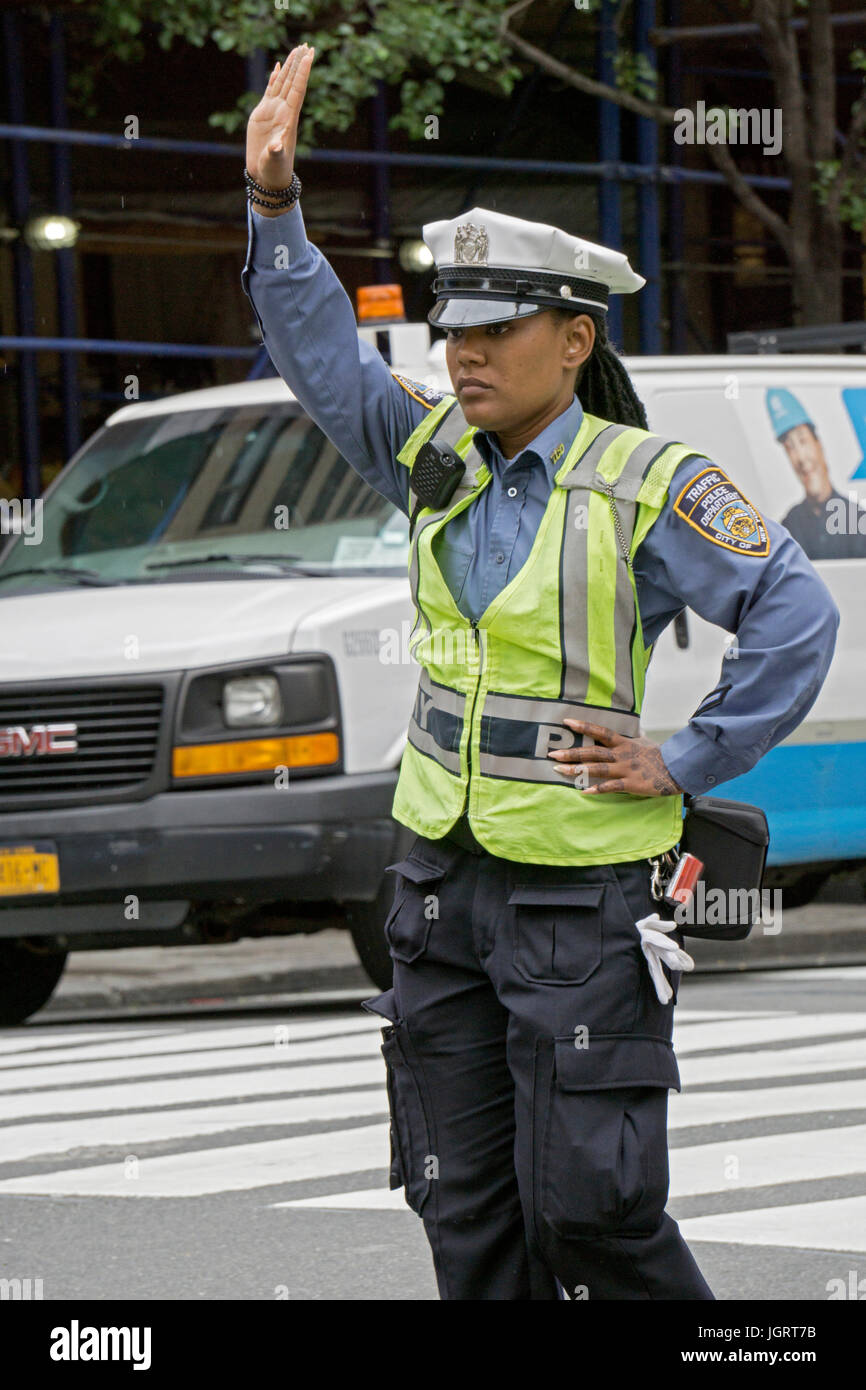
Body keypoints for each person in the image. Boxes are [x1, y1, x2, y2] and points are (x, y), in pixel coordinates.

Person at [243, 47, 839, 1300]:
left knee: (594, 1214)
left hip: (580, 901)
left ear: (571, 341)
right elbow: (319, 362)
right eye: (451, 330)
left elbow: (791, 613)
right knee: (465, 1214)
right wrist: (274, 211)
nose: (461, 356)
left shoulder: (648, 480)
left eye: (494, 331)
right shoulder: (429, 454)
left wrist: (684, 755)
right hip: (437, 891)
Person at [766, 387, 866, 560]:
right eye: (790, 448)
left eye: (803, 441)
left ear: (818, 444)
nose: (801, 458)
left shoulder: (855, 518)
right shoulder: (789, 527)